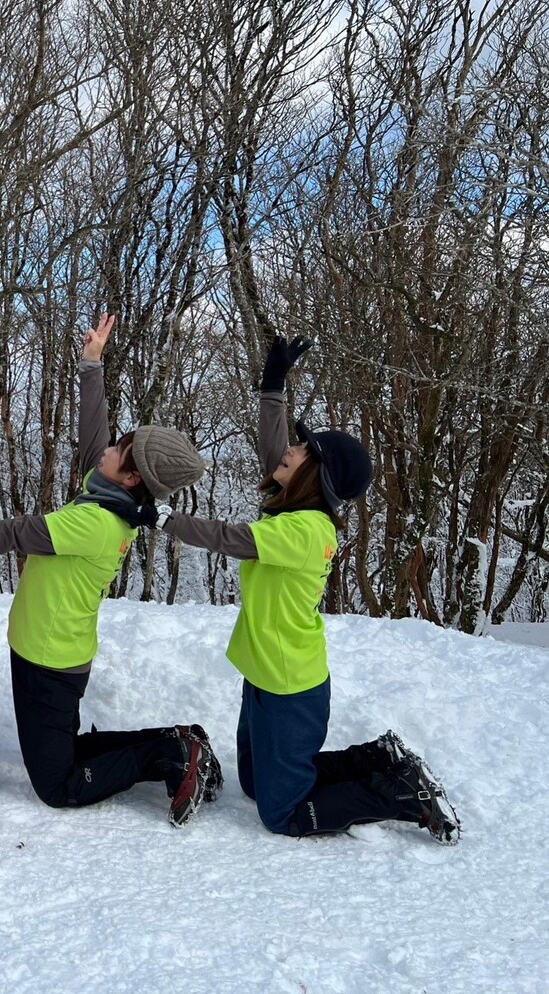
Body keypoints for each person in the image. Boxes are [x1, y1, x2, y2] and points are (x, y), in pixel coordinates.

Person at [140, 334, 461, 844]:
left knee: (282, 813)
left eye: (303, 450)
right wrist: (273, 386)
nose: (290, 449)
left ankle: (398, 791)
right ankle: (378, 757)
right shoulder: (293, 507)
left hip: (292, 687)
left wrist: (164, 518)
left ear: (315, 474)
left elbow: (233, 539)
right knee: (254, 783)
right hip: (266, 675)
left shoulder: (307, 530)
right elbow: (274, 454)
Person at [0, 315, 217, 826]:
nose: (110, 447)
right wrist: (92, 366)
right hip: (50, 650)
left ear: (133, 476)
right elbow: (95, 445)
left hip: (50, 661)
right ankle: (174, 742)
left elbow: (15, 533)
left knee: (57, 785)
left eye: (122, 449)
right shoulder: (112, 494)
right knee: (63, 749)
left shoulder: (94, 521)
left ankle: (168, 755)